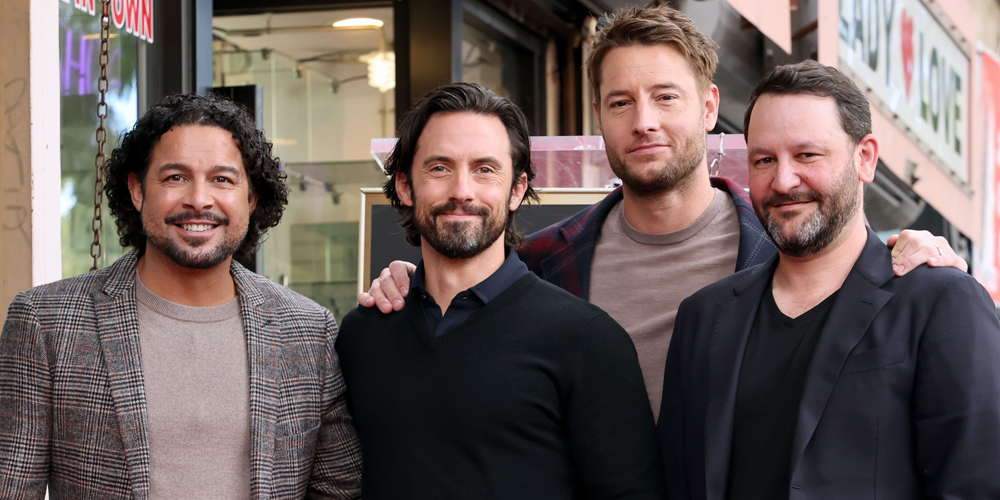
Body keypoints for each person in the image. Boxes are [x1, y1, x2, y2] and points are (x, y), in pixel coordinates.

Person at [359, 4, 966, 417]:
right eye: (620, 102)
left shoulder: (783, 243)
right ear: (598, 116)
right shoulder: (543, 262)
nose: (643, 121)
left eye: (665, 97)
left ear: (708, 107)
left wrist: (908, 246)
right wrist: (408, 282)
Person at [658, 60, 1000, 500]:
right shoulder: (703, 318)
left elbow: (979, 484)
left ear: (865, 158)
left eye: (807, 155)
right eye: (764, 160)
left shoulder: (939, 300)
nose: (783, 180)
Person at [0, 93, 362, 499]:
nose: (199, 199)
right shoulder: (46, 322)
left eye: (223, 179)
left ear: (251, 197)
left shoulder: (308, 331)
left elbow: (339, 491)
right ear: (137, 190)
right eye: (175, 177)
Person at [336, 82, 665, 499]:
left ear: (517, 189)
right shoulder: (363, 333)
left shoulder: (586, 340)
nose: (462, 190)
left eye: (485, 169)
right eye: (439, 167)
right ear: (403, 186)